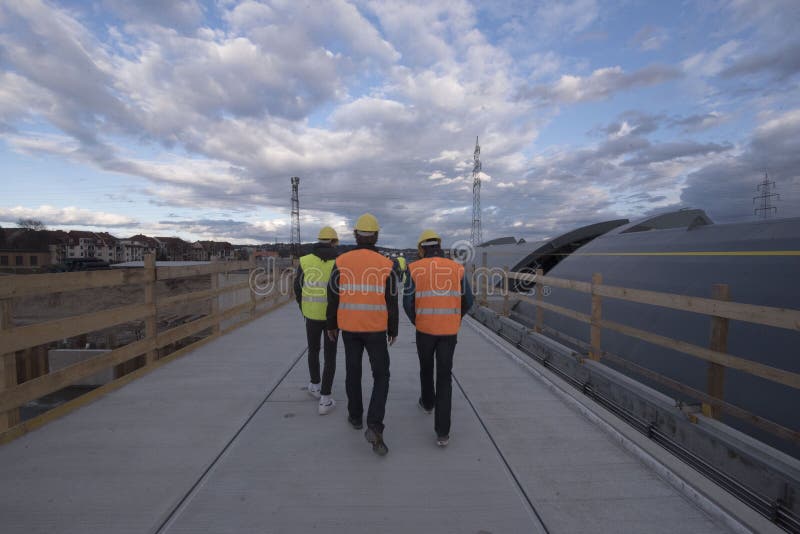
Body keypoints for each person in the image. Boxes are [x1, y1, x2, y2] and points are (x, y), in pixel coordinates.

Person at [326, 213, 398, 456]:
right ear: (376, 236)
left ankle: (355, 417)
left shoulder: (342, 261)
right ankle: (374, 425)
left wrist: (331, 325)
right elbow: (392, 301)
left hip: (350, 328)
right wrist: (393, 329)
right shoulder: (386, 264)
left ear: (356, 235)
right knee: (381, 376)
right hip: (376, 329)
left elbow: (333, 296)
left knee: (353, 372)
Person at [403, 229, 473, 447]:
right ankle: (442, 433)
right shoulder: (457, 269)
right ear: (440, 247)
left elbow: (407, 302)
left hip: (425, 330)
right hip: (449, 332)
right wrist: (455, 317)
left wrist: (418, 320)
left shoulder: (414, 268)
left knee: (426, 367)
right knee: (444, 377)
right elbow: (469, 300)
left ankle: (427, 403)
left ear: (422, 248)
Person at [294, 226, 339, 415]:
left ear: (319, 240)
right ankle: (325, 399)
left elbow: (297, 288)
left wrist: (303, 307)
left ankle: (314, 385)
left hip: (311, 315)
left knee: (313, 350)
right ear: (334, 242)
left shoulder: (305, 261)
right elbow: (339, 292)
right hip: (331, 318)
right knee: (330, 356)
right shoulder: (339, 263)